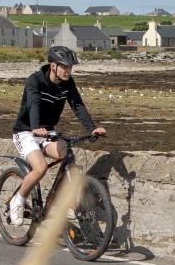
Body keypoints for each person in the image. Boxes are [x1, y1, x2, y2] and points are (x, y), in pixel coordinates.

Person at [8, 46, 106, 225]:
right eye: (65, 67)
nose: (68, 71)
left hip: (47, 131)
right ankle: (18, 200)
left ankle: (66, 205)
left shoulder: (68, 83)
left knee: (69, 161)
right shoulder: (35, 80)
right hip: (26, 131)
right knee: (40, 168)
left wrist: (91, 128)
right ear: (53, 66)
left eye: (70, 67)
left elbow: (78, 105)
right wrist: (36, 126)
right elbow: (34, 103)